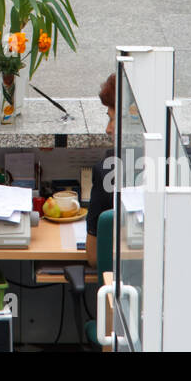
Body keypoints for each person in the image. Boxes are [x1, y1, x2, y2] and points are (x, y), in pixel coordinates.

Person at [86, 73, 117, 267]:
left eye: (112, 119)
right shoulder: (175, 164)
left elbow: (94, 257)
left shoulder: (108, 172)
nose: (108, 129)